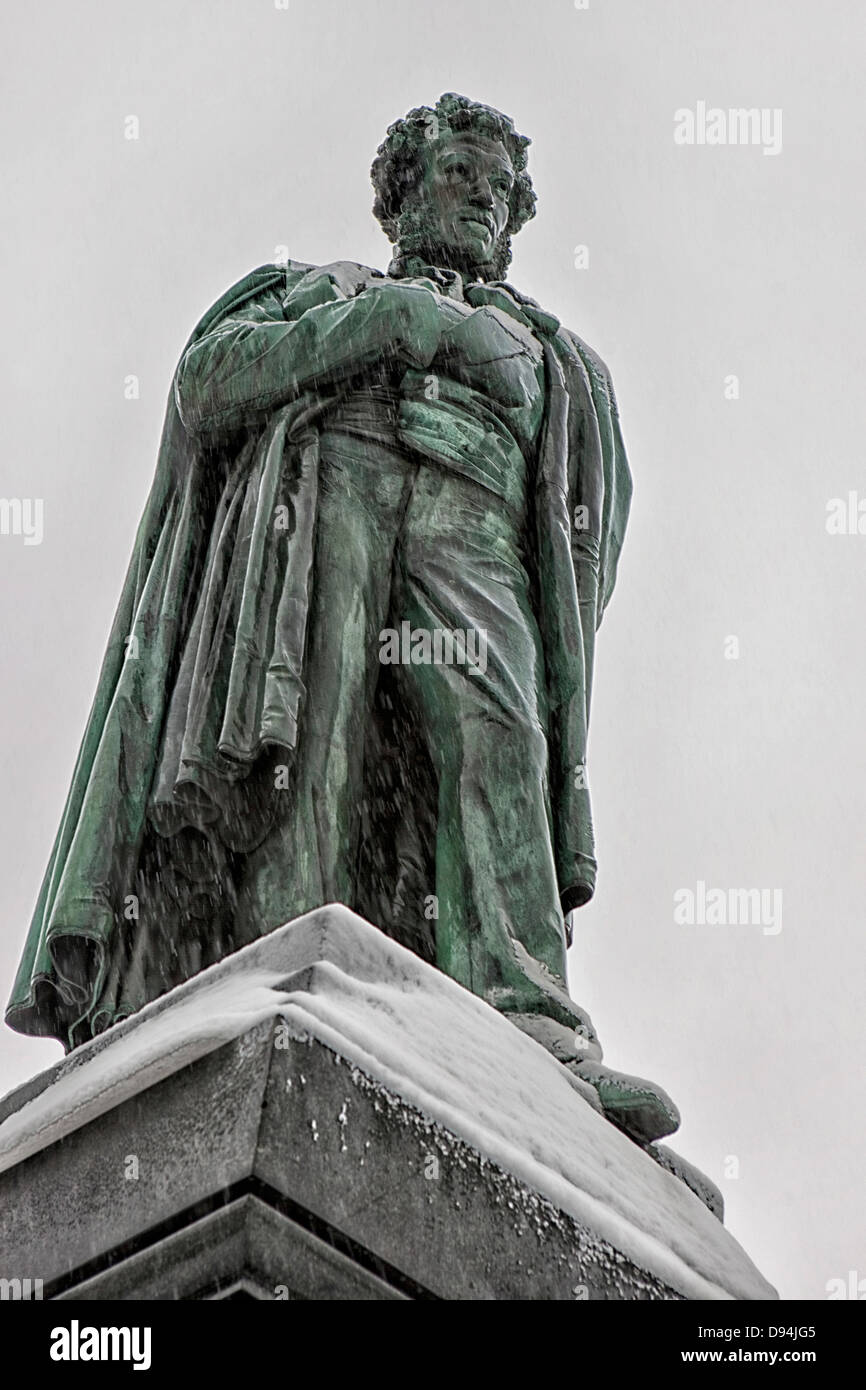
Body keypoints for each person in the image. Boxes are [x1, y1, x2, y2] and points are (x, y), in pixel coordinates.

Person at [6, 94, 677, 1144]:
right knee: (310, 737)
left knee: (501, 744)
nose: (484, 203)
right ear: (403, 190)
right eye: (461, 175)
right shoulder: (321, 289)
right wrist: (381, 324)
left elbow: (586, 530)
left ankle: (529, 1024)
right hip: (337, 489)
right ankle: (288, 956)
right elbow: (204, 386)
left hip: (475, 525)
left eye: (502, 193)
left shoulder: (553, 354)